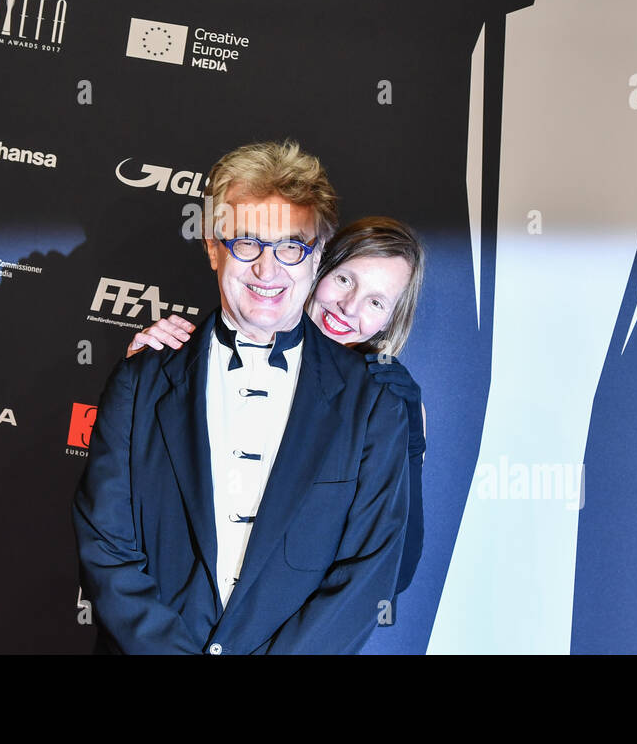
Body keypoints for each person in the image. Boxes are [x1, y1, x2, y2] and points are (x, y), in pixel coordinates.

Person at [72, 140, 410, 653]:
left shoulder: (375, 407)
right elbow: (106, 548)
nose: (267, 270)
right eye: (246, 243)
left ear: (316, 255)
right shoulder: (141, 381)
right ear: (212, 246)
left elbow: (366, 578)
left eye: (290, 247)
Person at [129, 217, 427, 598]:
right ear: (315, 268)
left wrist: (411, 447)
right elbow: (137, 518)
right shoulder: (205, 359)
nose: (349, 307)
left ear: (390, 320)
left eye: (375, 301)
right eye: (344, 280)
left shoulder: (386, 404)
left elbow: (393, 573)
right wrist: (142, 382)